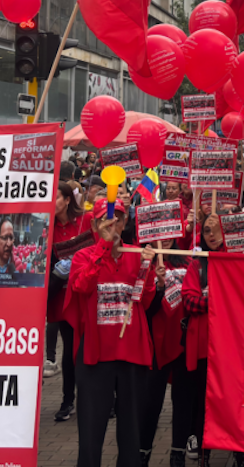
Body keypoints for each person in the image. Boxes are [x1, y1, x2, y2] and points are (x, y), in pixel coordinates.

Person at [65, 198, 158, 467]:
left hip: (131, 352)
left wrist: (151, 273)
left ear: (125, 221)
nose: (112, 224)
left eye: (117, 217)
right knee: (91, 433)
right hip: (96, 354)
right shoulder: (84, 256)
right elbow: (81, 287)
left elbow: (145, 299)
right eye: (105, 219)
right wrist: (104, 247)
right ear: (94, 224)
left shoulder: (137, 254)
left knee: (131, 432)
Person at [180, 216, 244, 467]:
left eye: (217, 229)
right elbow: (189, 301)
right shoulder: (196, 265)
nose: (211, 234)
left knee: (232, 401)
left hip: (231, 345)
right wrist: (221, 300)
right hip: (203, 346)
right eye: (207, 230)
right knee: (202, 402)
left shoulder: (237, 261)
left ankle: (239, 454)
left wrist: (220, 300)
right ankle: (203, 454)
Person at [139, 235, 189, 467]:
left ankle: (178, 451)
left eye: (169, 234)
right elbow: (144, 309)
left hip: (183, 341)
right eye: (159, 235)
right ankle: (143, 451)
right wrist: (158, 285)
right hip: (154, 343)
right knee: (150, 402)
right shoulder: (141, 263)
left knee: (182, 400)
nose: (164, 239)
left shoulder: (187, 260)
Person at [46, 181, 90, 421]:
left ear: (66, 200)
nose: (52, 202)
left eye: (56, 197)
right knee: (69, 349)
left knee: (87, 347)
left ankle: (96, 397)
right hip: (62, 298)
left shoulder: (85, 219)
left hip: (85, 294)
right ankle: (67, 399)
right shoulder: (46, 228)